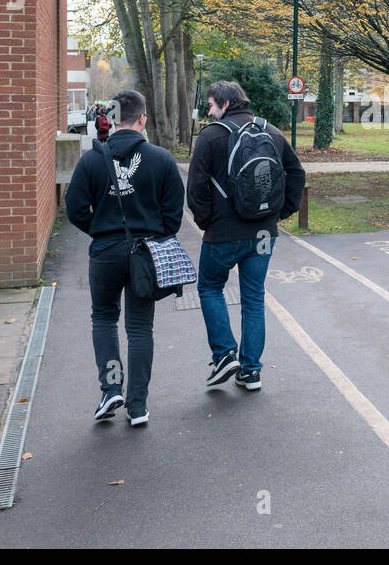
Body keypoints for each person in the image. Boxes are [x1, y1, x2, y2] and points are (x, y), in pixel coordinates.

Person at [65, 90, 185, 427]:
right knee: (139, 328)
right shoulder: (161, 159)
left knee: (104, 319)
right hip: (144, 254)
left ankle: (110, 388)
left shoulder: (91, 159)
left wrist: (101, 231)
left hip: (104, 252)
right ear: (142, 119)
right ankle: (137, 407)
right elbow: (173, 216)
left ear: (112, 119)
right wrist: (151, 236)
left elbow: (74, 209)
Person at [187, 80, 305, 392]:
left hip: (223, 233)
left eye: (212, 105)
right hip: (264, 232)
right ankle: (251, 371)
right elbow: (297, 173)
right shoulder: (272, 132)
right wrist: (281, 212)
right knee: (254, 298)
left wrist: (205, 222)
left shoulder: (211, 137)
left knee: (210, 288)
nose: (209, 112)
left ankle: (225, 353)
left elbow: (196, 187)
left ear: (225, 104)